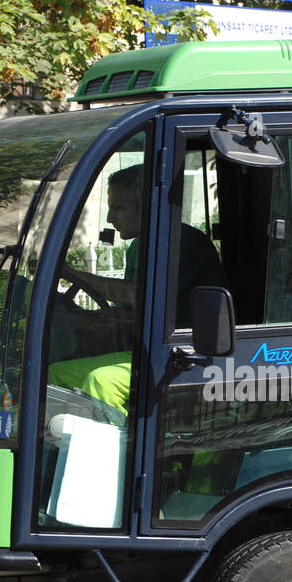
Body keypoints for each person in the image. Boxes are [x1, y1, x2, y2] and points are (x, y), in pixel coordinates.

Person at [47, 163, 227, 414]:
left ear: (146, 206)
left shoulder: (180, 242)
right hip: (148, 350)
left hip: (183, 356)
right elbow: (130, 314)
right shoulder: (137, 248)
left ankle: (117, 450)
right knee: (53, 375)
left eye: (118, 208)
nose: (110, 218)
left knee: (101, 381)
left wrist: (74, 274)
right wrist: (85, 318)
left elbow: (139, 294)